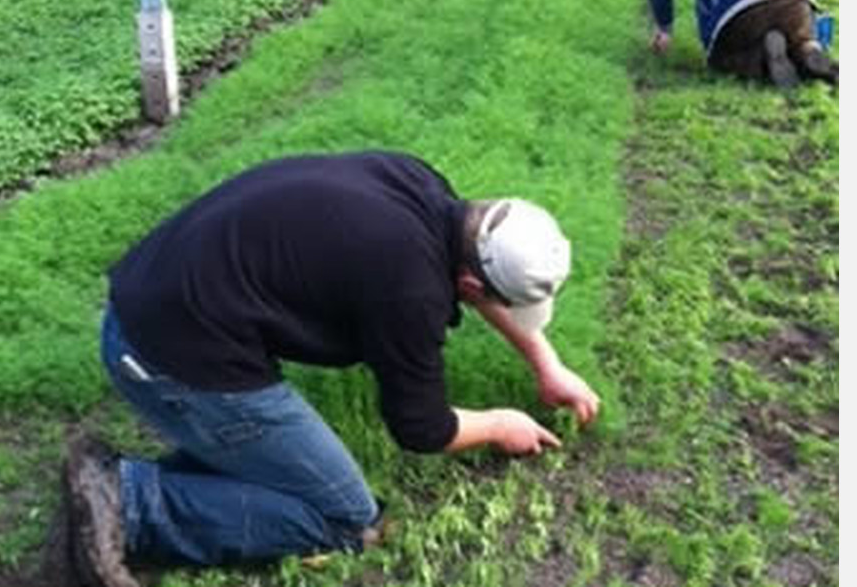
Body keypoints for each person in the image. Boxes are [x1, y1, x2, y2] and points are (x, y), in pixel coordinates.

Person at [46, 151, 601, 587]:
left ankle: (142, 482)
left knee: (286, 473)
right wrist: (501, 424)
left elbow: (475, 279)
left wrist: (546, 363)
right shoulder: (409, 290)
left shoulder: (421, 186)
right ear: (472, 283)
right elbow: (422, 428)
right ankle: (131, 503)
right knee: (346, 520)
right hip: (169, 356)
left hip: (150, 295)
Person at [649, 0, 838, 87]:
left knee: (723, 60)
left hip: (740, 4)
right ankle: (808, 50)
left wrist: (664, 26)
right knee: (800, 35)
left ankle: (761, 56)